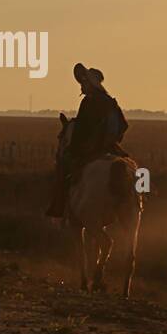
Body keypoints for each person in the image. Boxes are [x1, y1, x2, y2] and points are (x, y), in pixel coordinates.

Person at [46, 63, 128, 218]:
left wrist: (77, 147)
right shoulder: (110, 101)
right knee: (131, 166)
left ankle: (58, 207)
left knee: (63, 168)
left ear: (90, 84)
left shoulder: (89, 102)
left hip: (91, 149)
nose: (81, 87)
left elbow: (81, 130)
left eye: (83, 83)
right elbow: (122, 125)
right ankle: (143, 195)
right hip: (110, 147)